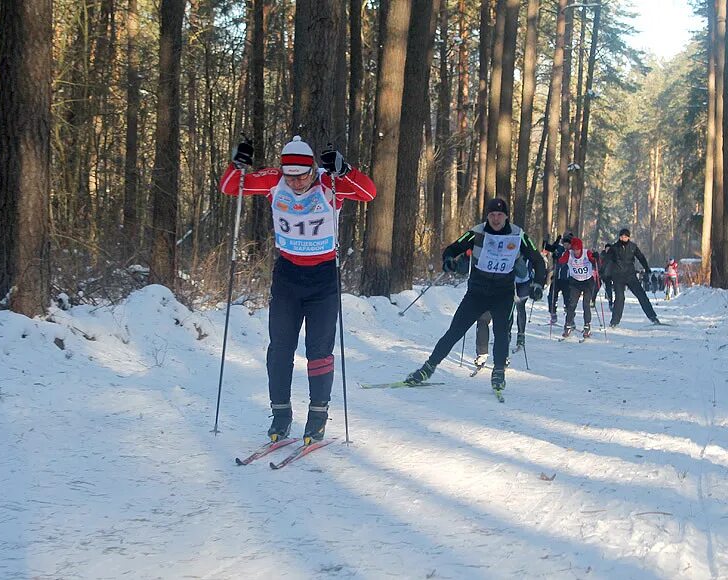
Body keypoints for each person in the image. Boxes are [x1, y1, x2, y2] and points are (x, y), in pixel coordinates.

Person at [220, 136, 376, 443]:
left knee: (318, 350)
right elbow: (230, 186)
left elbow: (368, 193)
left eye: (302, 176)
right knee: (280, 348)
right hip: (288, 276)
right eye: (290, 176)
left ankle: (317, 416)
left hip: (323, 279)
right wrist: (237, 164)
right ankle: (281, 415)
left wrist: (345, 171)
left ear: (313, 170)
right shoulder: (273, 181)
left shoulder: (328, 183)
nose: (295, 183)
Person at [404, 198, 546, 398]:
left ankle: (498, 372)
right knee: (454, 331)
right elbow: (453, 249)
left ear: (506, 216)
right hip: (477, 292)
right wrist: (448, 261)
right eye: (492, 215)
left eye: (500, 215)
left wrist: (538, 284)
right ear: (487, 216)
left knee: (501, 332)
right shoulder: (477, 232)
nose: (496, 219)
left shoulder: (517, 234)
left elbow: (538, 260)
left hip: (503, 293)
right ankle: (428, 367)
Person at [607, 228, 661, 327]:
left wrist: (647, 268)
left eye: (626, 237)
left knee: (641, 295)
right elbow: (607, 261)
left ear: (628, 237)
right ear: (619, 237)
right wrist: (605, 273)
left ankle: (653, 317)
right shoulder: (614, 248)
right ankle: (614, 322)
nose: (623, 238)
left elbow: (641, 257)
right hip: (618, 276)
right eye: (622, 236)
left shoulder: (633, 247)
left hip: (630, 275)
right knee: (620, 298)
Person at [558, 237, 599, 338]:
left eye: (578, 249)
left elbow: (597, 263)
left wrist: (596, 258)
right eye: (574, 249)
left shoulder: (587, 253)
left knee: (586, 304)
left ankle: (587, 327)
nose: (576, 252)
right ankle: (568, 326)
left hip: (587, 282)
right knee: (572, 304)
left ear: (581, 248)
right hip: (575, 282)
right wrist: (558, 257)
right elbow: (561, 261)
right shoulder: (569, 253)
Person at [544, 233, 572, 325]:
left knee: (568, 299)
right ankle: (553, 314)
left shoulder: (573, 252)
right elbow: (548, 248)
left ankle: (570, 319)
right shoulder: (559, 249)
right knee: (551, 296)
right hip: (556, 278)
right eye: (564, 243)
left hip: (567, 280)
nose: (566, 245)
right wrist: (546, 242)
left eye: (568, 244)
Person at [599, 243, 614, 310]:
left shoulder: (612, 257)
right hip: (601, 275)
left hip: (609, 276)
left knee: (609, 289)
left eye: (609, 249)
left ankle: (610, 303)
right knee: (596, 288)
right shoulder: (602, 255)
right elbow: (598, 263)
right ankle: (592, 300)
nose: (608, 250)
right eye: (607, 249)